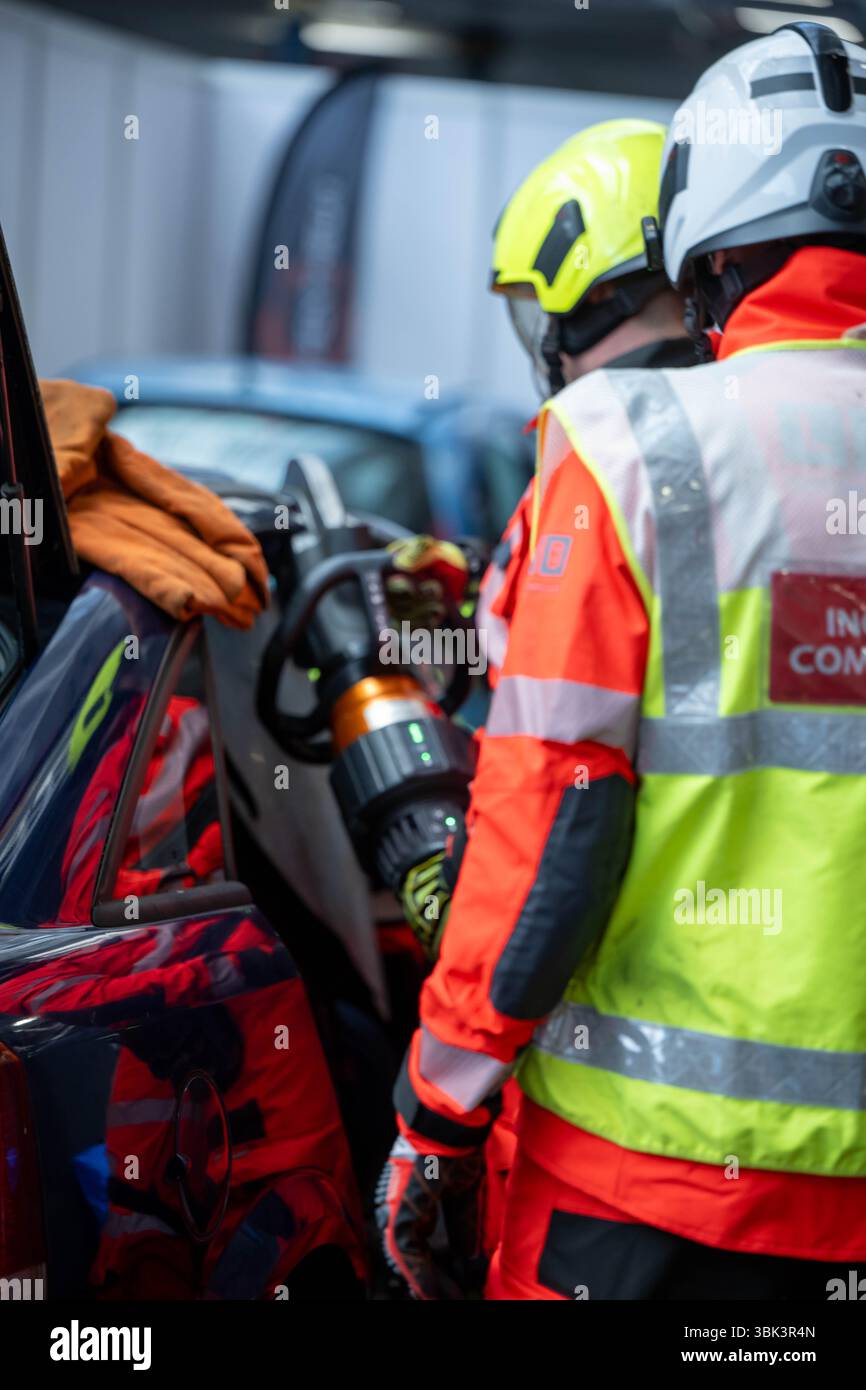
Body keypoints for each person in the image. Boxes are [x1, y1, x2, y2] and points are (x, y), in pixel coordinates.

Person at [378, 20, 866, 1300]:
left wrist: (439, 1104)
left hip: (637, 1193)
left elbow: (553, 821)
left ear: (703, 225)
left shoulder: (631, 448)